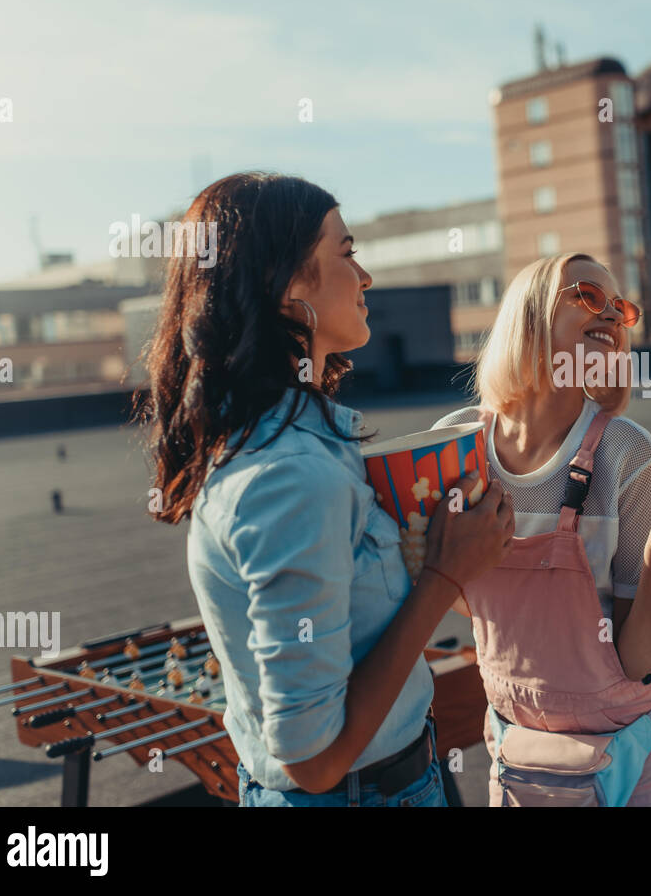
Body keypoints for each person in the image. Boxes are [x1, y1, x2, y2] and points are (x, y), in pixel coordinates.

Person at [142, 172, 514, 806]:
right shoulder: (291, 477)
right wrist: (443, 579)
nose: (364, 277)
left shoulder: (291, 445)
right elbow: (314, 762)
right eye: (346, 253)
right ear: (288, 286)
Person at [432, 251, 651, 806]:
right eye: (587, 296)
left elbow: (633, 658)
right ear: (527, 318)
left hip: (624, 751)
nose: (610, 316)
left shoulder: (629, 455)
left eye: (620, 309)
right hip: (516, 747)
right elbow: (452, 591)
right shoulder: (454, 445)